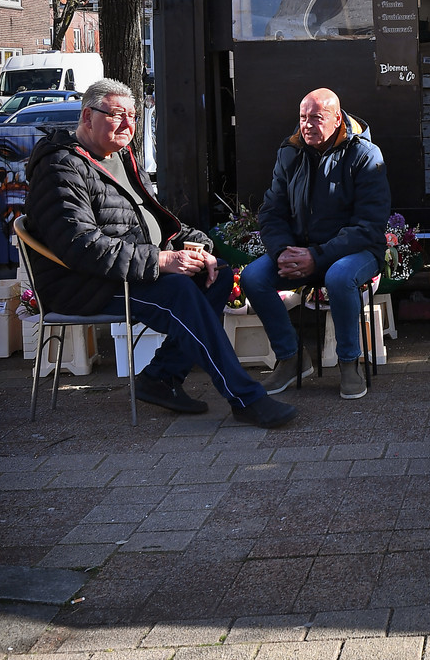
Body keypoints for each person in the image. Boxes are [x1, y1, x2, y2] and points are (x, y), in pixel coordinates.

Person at [23, 79, 296, 428]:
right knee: (179, 292)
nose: (127, 125)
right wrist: (162, 261)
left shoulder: (119, 156)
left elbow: (154, 221)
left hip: (129, 269)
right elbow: (81, 246)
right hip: (86, 283)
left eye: (133, 116)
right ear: (87, 116)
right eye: (116, 115)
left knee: (218, 273)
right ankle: (246, 399)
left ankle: (161, 377)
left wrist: (200, 248)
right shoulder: (60, 167)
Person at [241, 88, 388, 400]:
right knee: (253, 277)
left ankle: (349, 363)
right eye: (302, 118)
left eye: (316, 118)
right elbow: (272, 211)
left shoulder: (365, 154)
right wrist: (281, 251)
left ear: (337, 119)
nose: (307, 125)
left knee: (338, 276)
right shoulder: (290, 152)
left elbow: (368, 224)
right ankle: (291, 356)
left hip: (357, 251)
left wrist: (317, 255)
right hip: (301, 248)